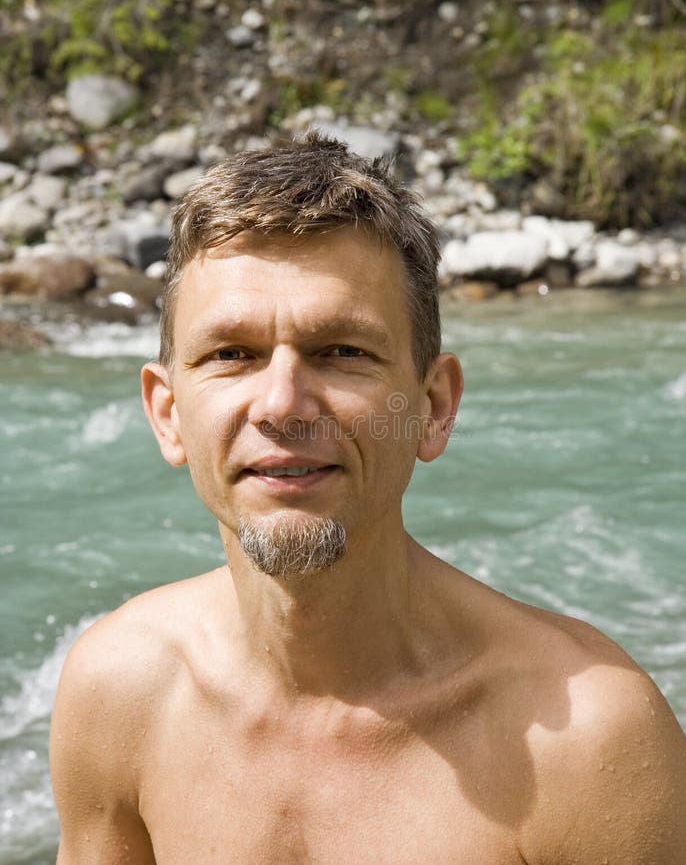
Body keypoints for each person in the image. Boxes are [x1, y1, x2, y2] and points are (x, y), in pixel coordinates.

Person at [50, 133, 686, 863]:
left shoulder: (588, 740)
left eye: (342, 352)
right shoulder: (120, 693)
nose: (282, 406)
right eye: (232, 354)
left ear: (434, 405)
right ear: (167, 413)